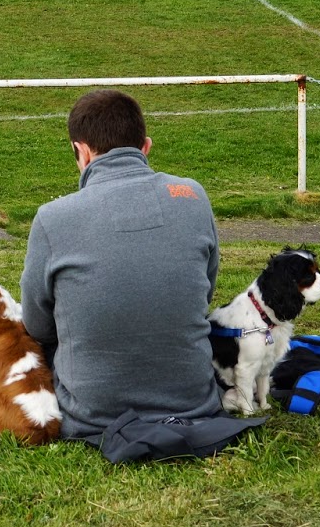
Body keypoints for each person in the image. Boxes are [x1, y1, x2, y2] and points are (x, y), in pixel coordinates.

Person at [20, 89, 225, 441]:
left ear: (81, 151)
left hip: (92, 417)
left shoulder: (52, 218)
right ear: (145, 147)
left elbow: (37, 326)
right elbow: (205, 289)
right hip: (194, 403)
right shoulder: (192, 195)